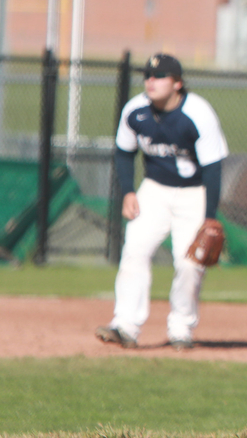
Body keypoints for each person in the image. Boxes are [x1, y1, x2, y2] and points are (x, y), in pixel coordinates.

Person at [96, 54, 229, 350]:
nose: (151, 81)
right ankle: (125, 326)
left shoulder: (198, 113)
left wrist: (210, 216)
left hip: (194, 194)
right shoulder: (135, 110)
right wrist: (128, 191)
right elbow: (124, 152)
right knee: (134, 250)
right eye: (148, 76)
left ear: (177, 83)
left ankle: (181, 329)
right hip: (154, 190)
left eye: (159, 76)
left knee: (189, 263)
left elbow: (213, 169)